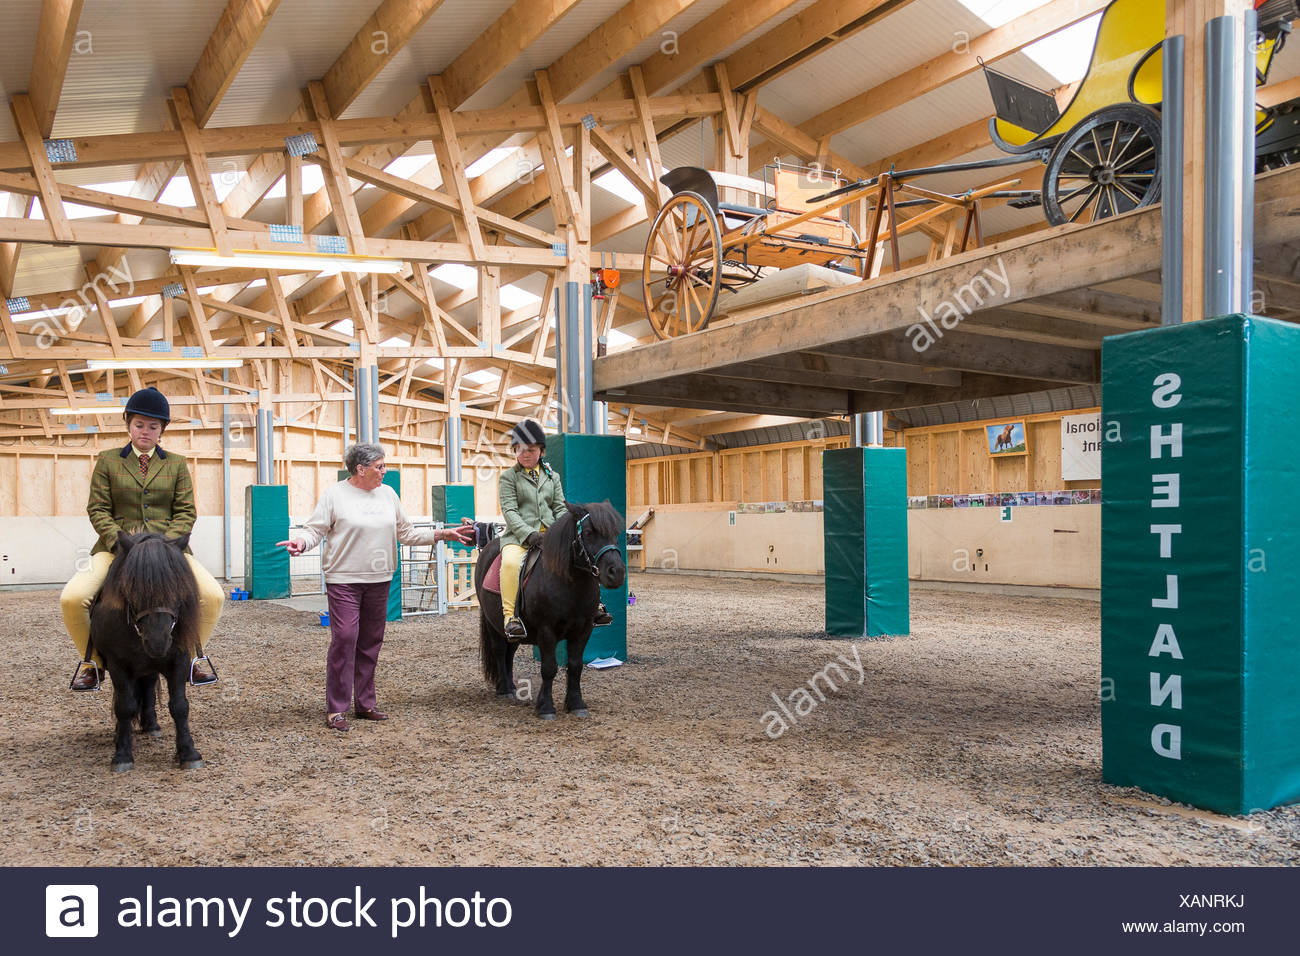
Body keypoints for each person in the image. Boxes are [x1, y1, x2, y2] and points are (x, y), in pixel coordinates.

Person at [278, 443, 475, 732]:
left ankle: (365, 703)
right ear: (360, 469)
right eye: (380, 466)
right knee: (345, 637)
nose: (384, 471)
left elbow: (405, 533)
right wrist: (301, 543)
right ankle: (336, 707)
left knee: (371, 641)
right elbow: (315, 530)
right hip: (343, 579)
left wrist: (444, 534)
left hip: (380, 579)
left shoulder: (388, 494)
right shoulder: (335, 494)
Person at [62, 387, 225, 691]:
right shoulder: (108, 461)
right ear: (128, 424)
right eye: (139, 425)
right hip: (118, 548)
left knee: (214, 595)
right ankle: (93, 663)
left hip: (168, 552)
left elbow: (186, 511)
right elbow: (97, 508)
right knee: (72, 598)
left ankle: (192, 658)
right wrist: (120, 542)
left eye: (153, 426)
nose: (145, 432)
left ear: (162, 429)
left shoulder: (176, 464)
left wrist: (164, 548)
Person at [498, 419, 613, 642]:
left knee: (584, 555)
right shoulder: (508, 478)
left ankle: (595, 605)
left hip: (552, 535)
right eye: (519, 450)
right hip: (520, 537)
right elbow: (510, 511)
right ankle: (510, 618)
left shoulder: (553, 477)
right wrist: (529, 534)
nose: (525, 454)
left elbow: (560, 507)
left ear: (541, 451)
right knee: (510, 563)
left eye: (530, 450)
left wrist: (565, 531)